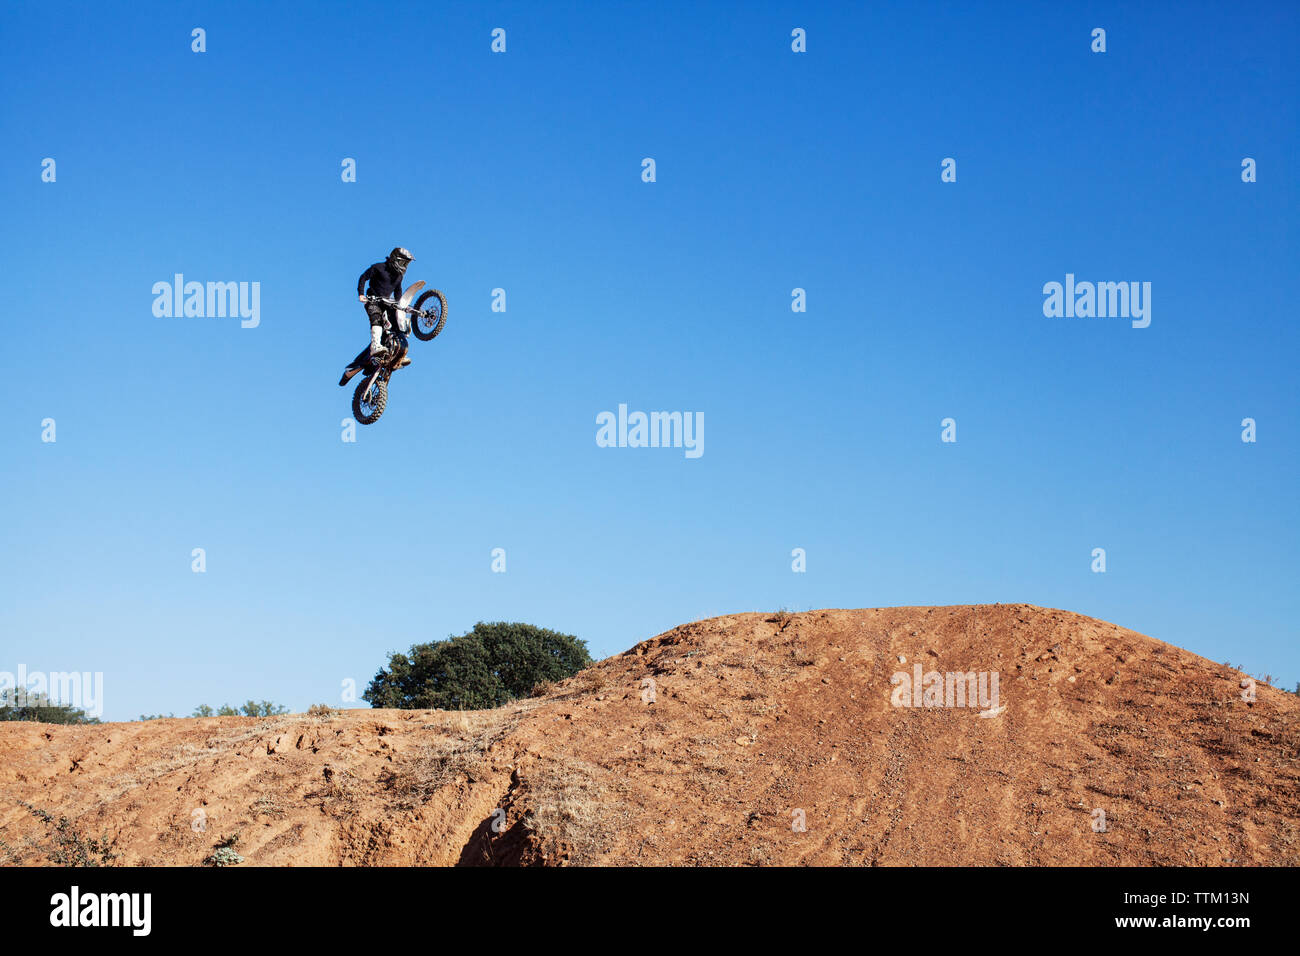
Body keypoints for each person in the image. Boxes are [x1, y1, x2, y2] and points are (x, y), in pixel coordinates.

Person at [339, 246, 414, 387]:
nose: (404, 266)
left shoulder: (399, 276)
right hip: (373, 300)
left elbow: (398, 291)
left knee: (400, 322)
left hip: (387, 303)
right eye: (403, 262)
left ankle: (399, 353)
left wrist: (400, 305)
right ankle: (375, 346)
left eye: (406, 264)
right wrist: (361, 294)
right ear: (395, 259)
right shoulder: (379, 267)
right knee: (376, 318)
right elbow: (363, 277)